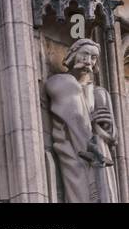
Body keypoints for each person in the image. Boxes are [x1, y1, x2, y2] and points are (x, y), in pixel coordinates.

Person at [45, 38, 118, 202]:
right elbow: (77, 124)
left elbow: (113, 138)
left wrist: (107, 130)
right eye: (84, 54)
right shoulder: (60, 82)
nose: (88, 61)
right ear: (72, 55)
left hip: (99, 155)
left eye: (93, 57)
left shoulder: (100, 93)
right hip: (75, 153)